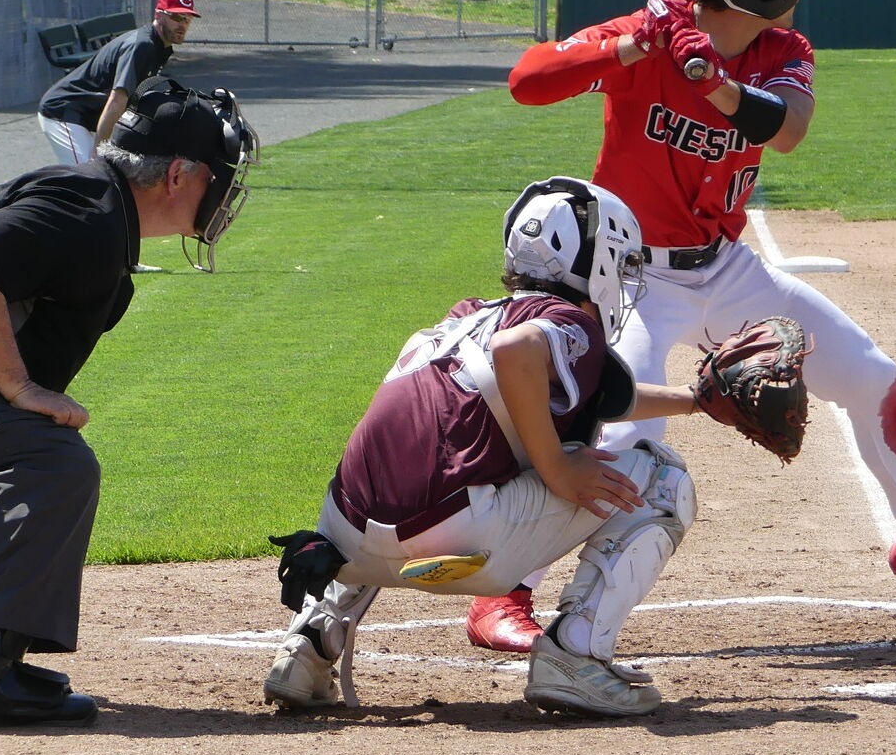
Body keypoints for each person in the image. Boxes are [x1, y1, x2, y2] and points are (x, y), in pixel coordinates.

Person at [466, 0, 896, 654]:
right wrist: (634, 50)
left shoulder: (784, 51)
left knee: (872, 376)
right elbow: (529, 79)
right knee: (624, 440)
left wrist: (710, 78)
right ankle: (507, 591)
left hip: (726, 268)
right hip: (633, 282)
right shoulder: (647, 32)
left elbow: (783, 130)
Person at [263, 177, 720, 719]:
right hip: (455, 541)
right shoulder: (566, 321)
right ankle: (575, 656)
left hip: (342, 546)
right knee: (661, 479)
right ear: (594, 262)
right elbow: (518, 350)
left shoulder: (465, 317)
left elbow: (595, 395)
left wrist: (696, 401)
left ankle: (307, 648)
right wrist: (555, 468)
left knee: (411, 473)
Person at [0, 78, 257, 726]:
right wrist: (17, 386)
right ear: (178, 175)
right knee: (51, 459)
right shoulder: (86, 209)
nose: (226, 189)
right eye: (219, 174)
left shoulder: (98, 212)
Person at [38, 0, 200, 165]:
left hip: (87, 116)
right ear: (159, 15)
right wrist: (101, 151)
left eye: (187, 19)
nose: (182, 25)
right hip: (65, 111)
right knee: (92, 177)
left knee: (106, 176)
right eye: (176, 17)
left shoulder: (160, 48)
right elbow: (117, 99)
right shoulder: (142, 46)